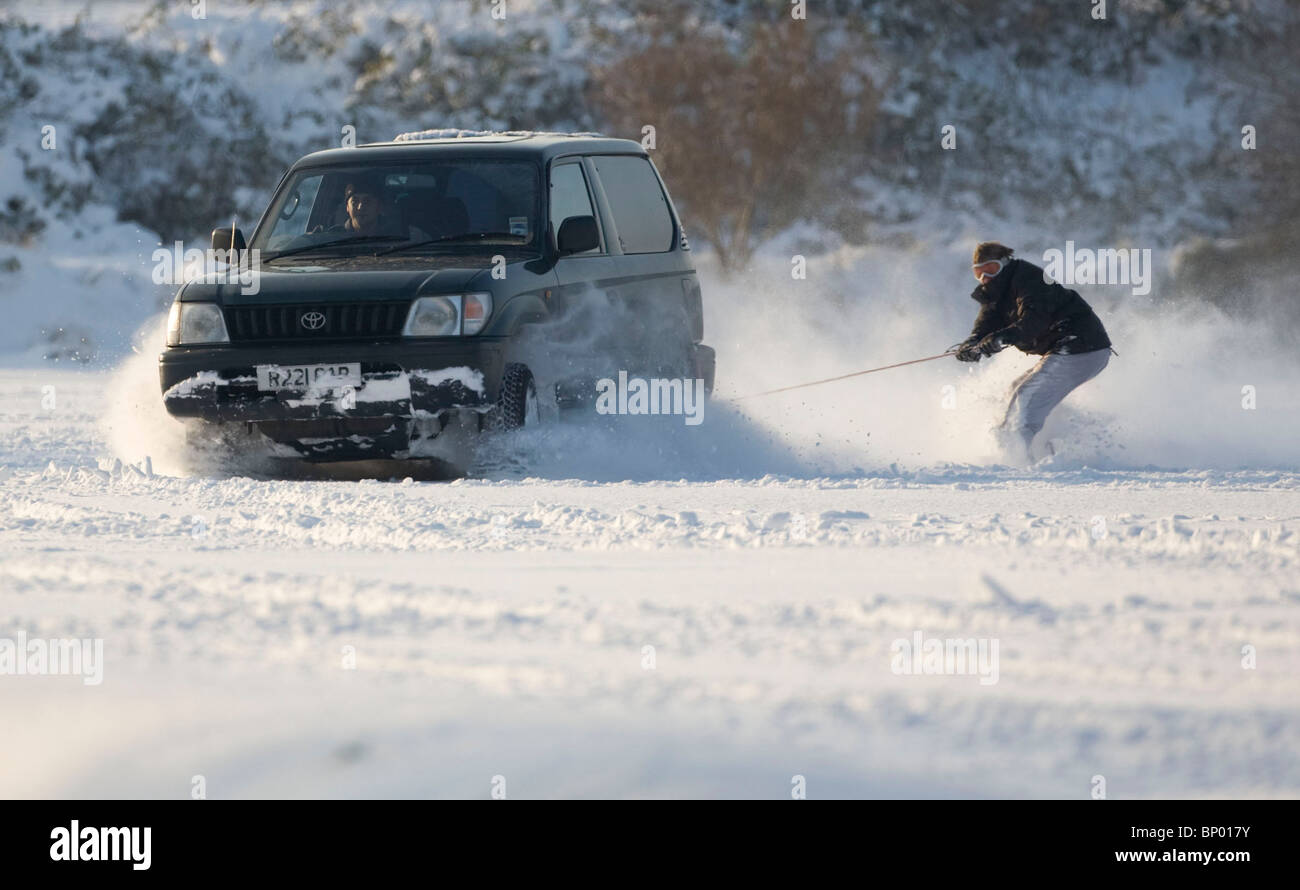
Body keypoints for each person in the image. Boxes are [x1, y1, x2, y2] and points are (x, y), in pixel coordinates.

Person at [956, 241, 1113, 462]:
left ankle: (1013, 460)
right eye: (978, 273)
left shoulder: (1028, 279)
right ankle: (1043, 450)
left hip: (1081, 345)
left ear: (1004, 263)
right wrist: (973, 342)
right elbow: (987, 321)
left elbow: (1034, 320)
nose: (985, 278)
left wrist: (1001, 338)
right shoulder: (996, 292)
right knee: (1015, 390)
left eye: (990, 269)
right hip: (1068, 349)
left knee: (1025, 397)